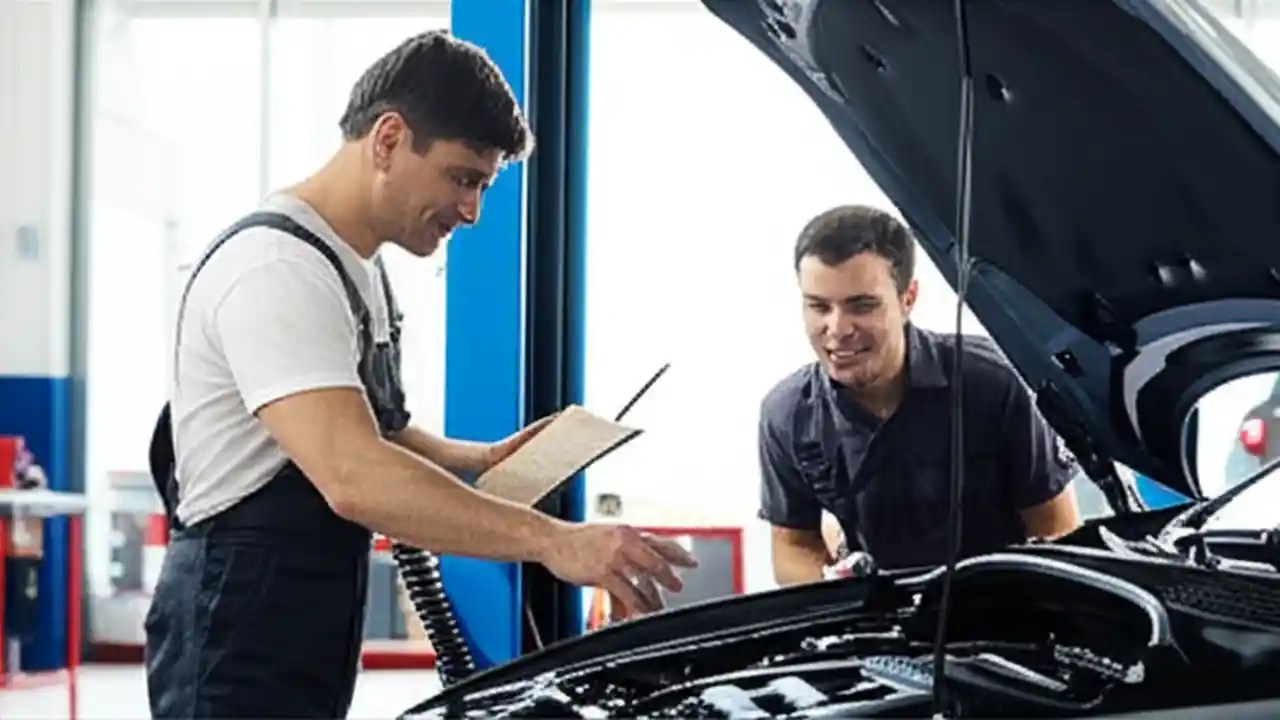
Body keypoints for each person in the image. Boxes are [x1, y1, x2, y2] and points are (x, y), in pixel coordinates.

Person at [144, 30, 695, 718]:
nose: (471, 211)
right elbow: (352, 474)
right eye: (464, 179)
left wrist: (486, 458)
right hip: (233, 623)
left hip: (295, 611)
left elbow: (371, 428)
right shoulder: (275, 268)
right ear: (389, 139)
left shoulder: (354, 264)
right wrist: (555, 543)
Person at [758, 205, 1080, 585]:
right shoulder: (787, 414)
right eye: (818, 306)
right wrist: (832, 586)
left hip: (1002, 617)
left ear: (908, 298)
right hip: (878, 628)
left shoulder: (994, 383)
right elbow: (793, 547)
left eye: (862, 305)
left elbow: (1059, 531)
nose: (837, 328)